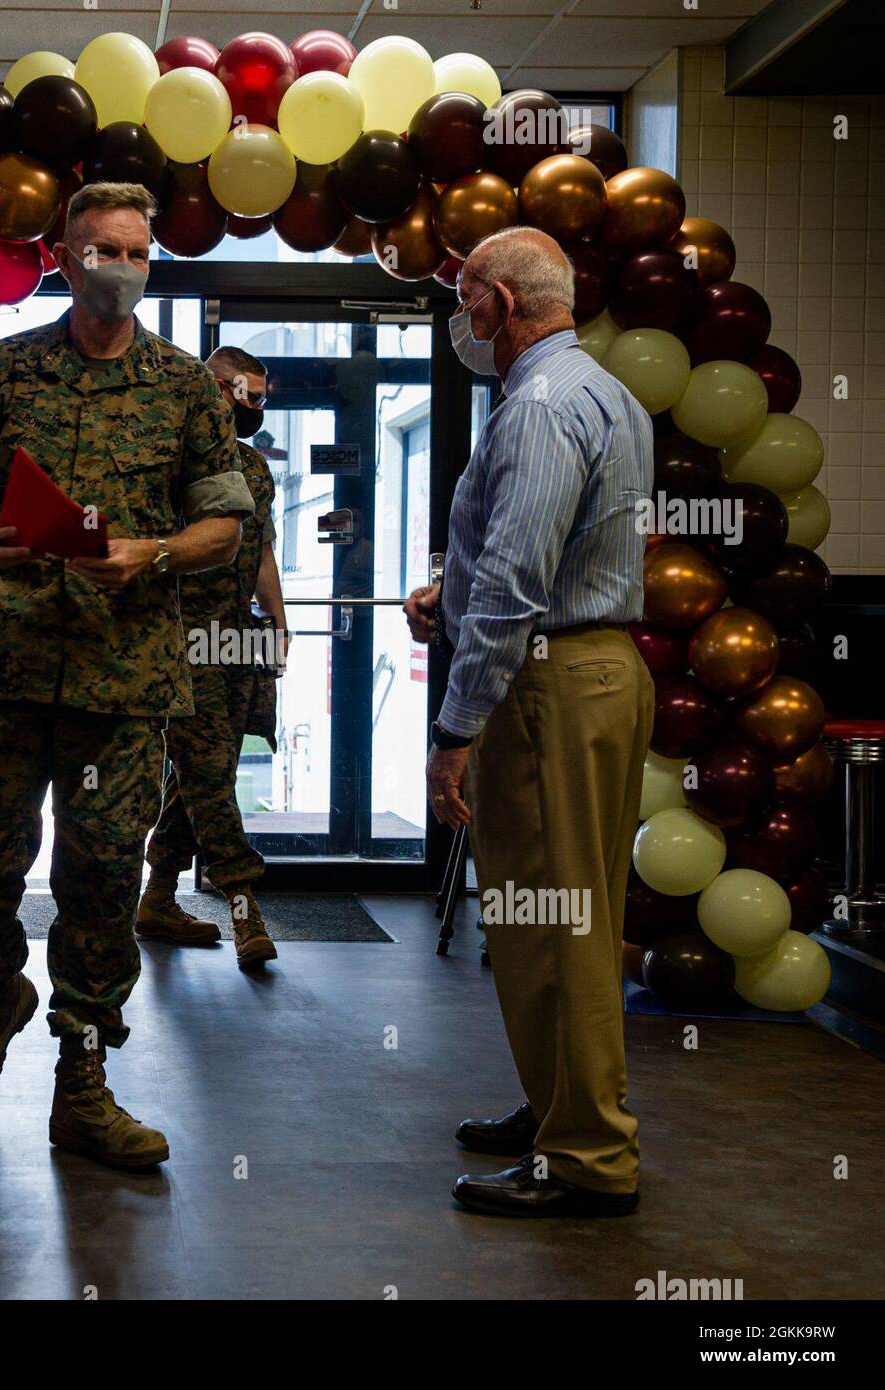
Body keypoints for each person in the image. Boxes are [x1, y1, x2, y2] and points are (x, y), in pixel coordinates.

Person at [0, 181, 255, 1170]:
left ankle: (82, 1080)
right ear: (63, 258)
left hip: (123, 677)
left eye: (136, 252)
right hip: (4, 661)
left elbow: (225, 524)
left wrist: (150, 551)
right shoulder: (2, 370)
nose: (119, 266)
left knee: (101, 876)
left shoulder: (186, 385)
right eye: (100, 249)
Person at [405, 226, 654, 1217]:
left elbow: (515, 580)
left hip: (550, 682)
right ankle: (560, 1104)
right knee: (565, 910)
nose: (461, 320)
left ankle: (586, 1154)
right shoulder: (604, 391)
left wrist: (453, 730)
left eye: (466, 300)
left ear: (500, 305)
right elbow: (549, 553)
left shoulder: (538, 406)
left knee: (552, 921)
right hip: (594, 669)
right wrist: (448, 595)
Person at [137, 346, 288, 969]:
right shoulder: (167, 462)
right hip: (175, 643)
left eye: (262, 398)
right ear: (217, 387)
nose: (255, 408)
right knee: (205, 770)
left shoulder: (254, 469)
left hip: (234, 643)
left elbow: (262, 555)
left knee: (208, 772)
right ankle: (242, 901)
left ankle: (156, 898)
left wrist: (279, 624)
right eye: (249, 395)